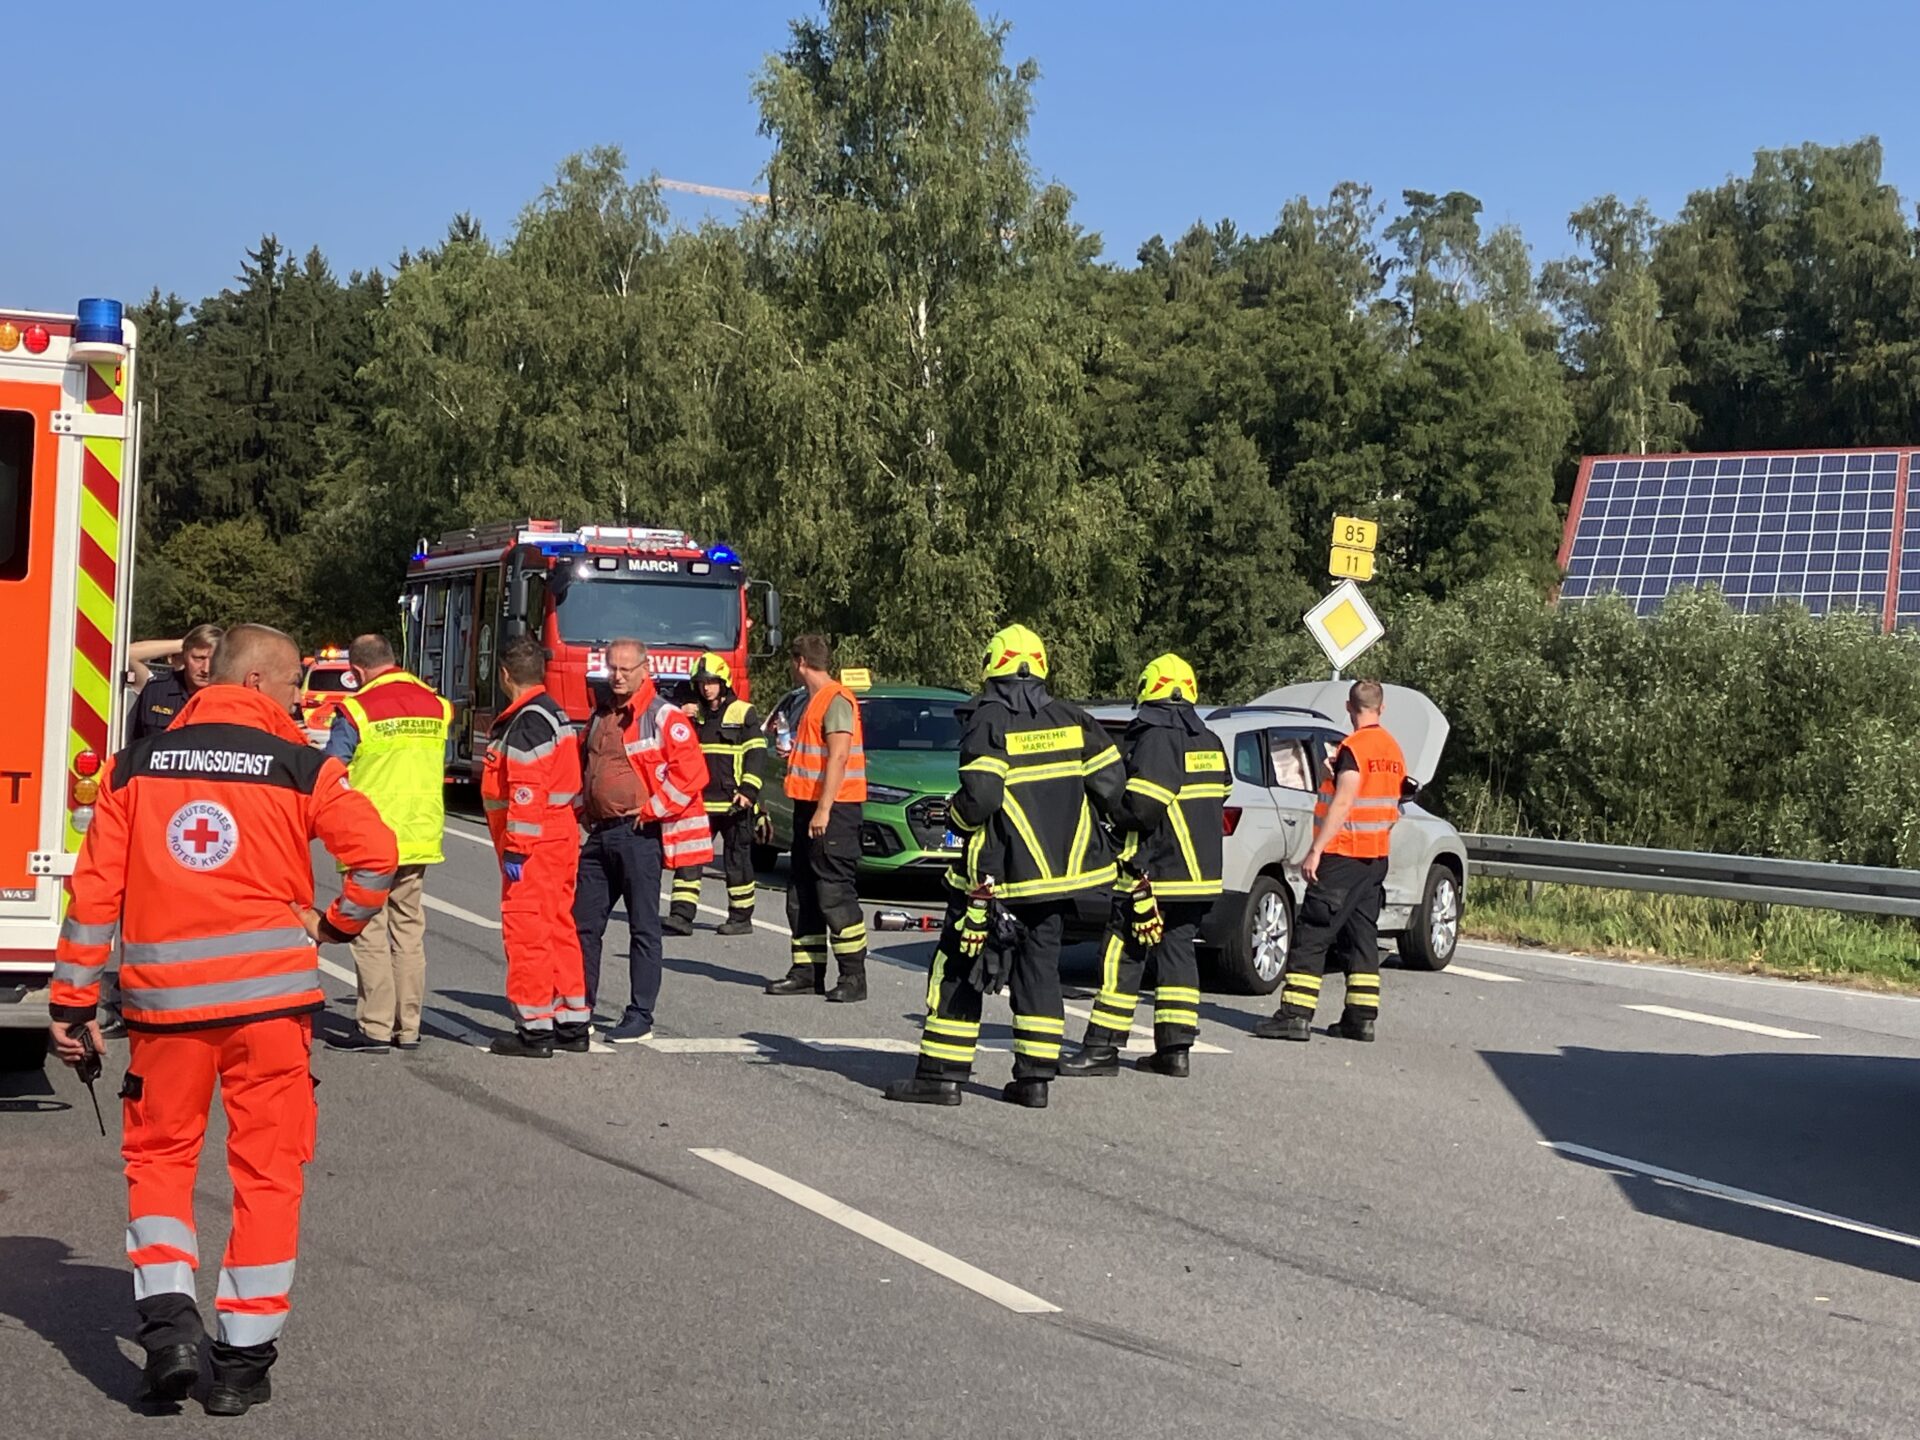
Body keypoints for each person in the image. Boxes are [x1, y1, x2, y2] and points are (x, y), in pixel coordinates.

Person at [47, 623, 397, 1416]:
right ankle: (241, 1362)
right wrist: (335, 925)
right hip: (271, 1010)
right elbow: (376, 854)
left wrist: (72, 1003)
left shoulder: (134, 766)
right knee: (268, 1176)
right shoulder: (304, 766)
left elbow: (93, 895)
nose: (301, 696)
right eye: (296, 681)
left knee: (161, 1165)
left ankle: (169, 1329)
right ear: (263, 682)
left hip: (165, 1013)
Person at [884, 625, 1126, 1108]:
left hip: (997, 877)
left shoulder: (988, 720)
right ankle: (1034, 1080)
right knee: (1039, 970)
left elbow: (981, 798)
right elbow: (1113, 785)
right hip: (1060, 879)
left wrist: (952, 816)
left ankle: (941, 1076)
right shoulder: (1072, 717)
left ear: (993, 666)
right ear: (1039, 666)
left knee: (959, 968)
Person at [1060, 654, 1229, 1079]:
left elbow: (1143, 807)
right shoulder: (1209, 739)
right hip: (1199, 874)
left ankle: (1101, 1048)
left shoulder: (1157, 738)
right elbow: (1220, 793)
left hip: (1155, 872)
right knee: (1178, 958)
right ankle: (1175, 1050)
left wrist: (1111, 809)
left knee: (1122, 953)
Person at [572, 637, 712, 1044]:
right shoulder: (601, 715)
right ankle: (578, 1008)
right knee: (583, 924)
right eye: (612, 668)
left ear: (644, 671)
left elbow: (692, 775)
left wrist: (651, 810)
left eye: (625, 670)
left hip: (640, 835)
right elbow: (587, 767)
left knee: (643, 927)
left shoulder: (663, 716)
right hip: (600, 835)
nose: (617, 676)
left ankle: (640, 1015)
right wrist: (583, 811)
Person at [1254, 679, 1407, 1043]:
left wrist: (1316, 849)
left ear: (1348, 707)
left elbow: (1345, 800)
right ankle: (1361, 1017)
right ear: (1381, 709)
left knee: (1312, 933)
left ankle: (1294, 1015)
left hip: (1343, 853)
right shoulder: (1392, 749)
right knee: (1361, 936)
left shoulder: (1353, 748)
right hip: (1375, 856)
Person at [322, 634, 452, 1052]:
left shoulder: (356, 710)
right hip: (419, 835)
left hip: (370, 840)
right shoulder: (436, 704)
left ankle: (375, 1027)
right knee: (409, 932)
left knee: (370, 932)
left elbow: (332, 768)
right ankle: (409, 1027)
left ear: (357, 671)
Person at [483, 636, 592, 1058]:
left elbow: (526, 791)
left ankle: (534, 1030)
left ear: (505, 675)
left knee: (527, 932)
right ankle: (571, 1021)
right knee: (559, 927)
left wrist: (517, 849)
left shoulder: (526, 722)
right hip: (558, 834)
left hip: (535, 842)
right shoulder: (554, 714)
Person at [765, 635, 869, 1003]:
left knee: (833, 893)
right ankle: (807, 972)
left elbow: (839, 757)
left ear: (800, 663)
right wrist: (790, 752)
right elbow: (817, 755)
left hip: (835, 810)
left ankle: (854, 977)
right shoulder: (811, 702)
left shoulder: (835, 699)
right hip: (809, 805)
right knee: (803, 893)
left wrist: (824, 809)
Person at [664, 652, 767, 937]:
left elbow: (756, 755)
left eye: (711, 682)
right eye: (702, 683)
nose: (706, 688)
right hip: (699, 802)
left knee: (737, 862)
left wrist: (749, 791)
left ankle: (740, 917)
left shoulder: (743, 712)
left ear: (723, 683)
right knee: (690, 858)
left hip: (734, 803)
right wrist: (679, 715)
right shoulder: (691, 715)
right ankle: (681, 916)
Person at [128, 624, 223, 743]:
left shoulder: (228, 698)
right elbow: (132, 745)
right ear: (184, 656)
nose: (206, 669)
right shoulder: (156, 691)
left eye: (213, 660)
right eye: (198, 658)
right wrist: (185, 643)